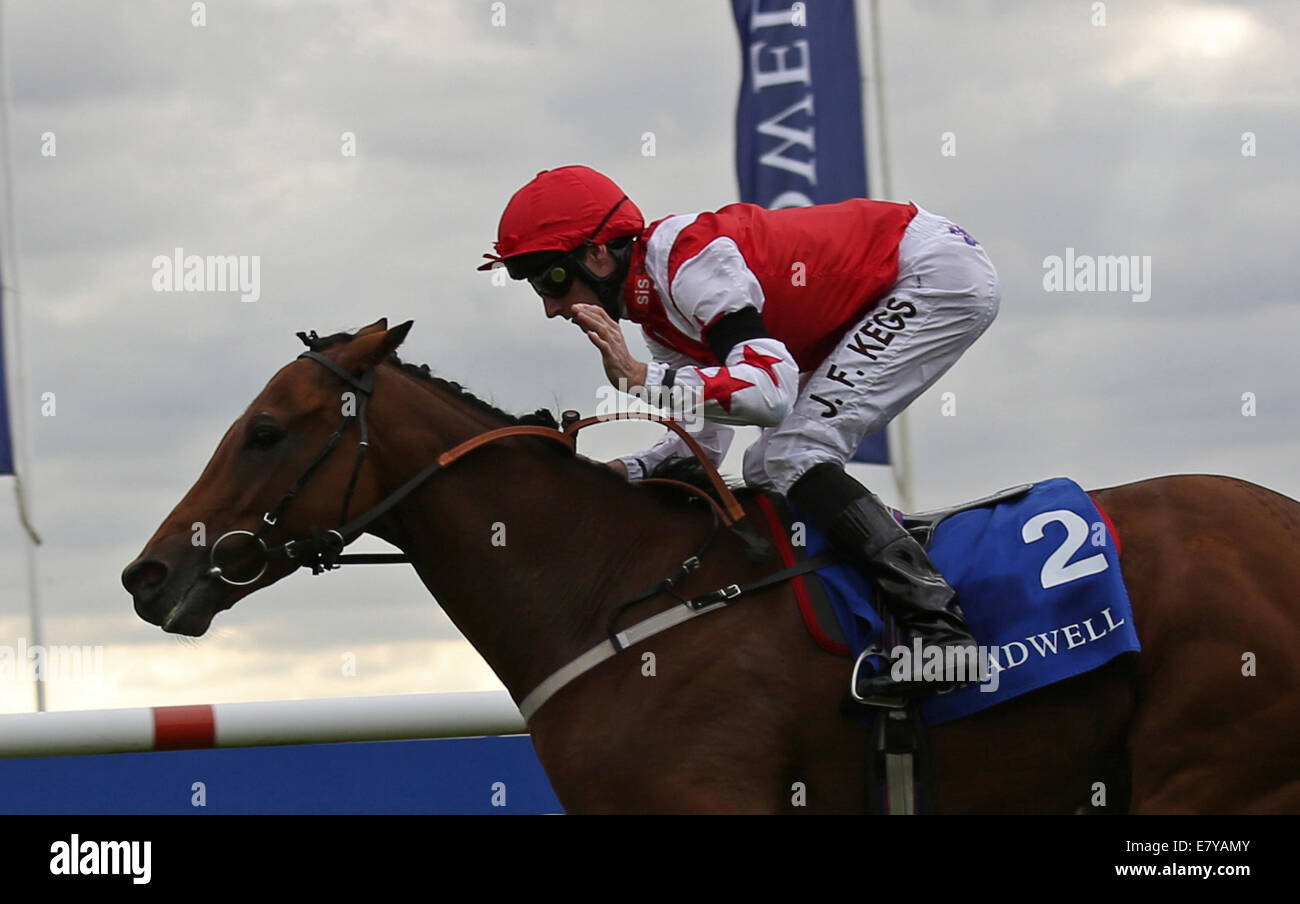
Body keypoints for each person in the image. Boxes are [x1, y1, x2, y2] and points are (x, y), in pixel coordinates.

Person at [478, 165, 1000, 700]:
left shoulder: (691, 265)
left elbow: (769, 393)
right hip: (891, 278)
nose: (549, 307)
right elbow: (702, 440)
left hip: (932, 274)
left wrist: (641, 378)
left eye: (551, 279)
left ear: (598, 254)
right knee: (766, 464)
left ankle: (941, 635)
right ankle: (850, 618)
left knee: (795, 452)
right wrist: (616, 473)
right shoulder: (654, 306)